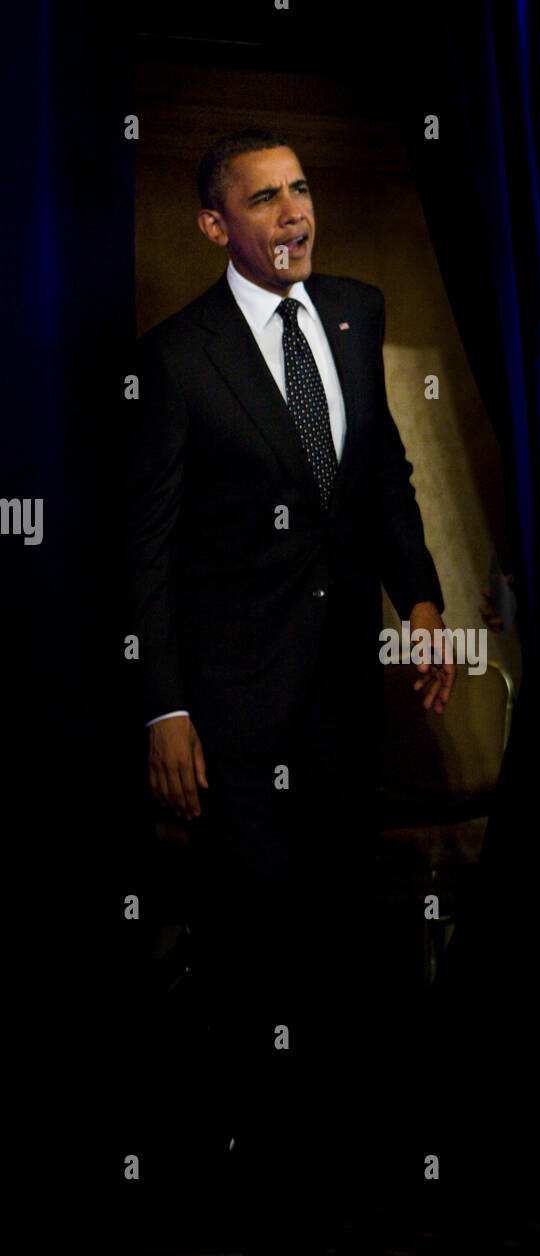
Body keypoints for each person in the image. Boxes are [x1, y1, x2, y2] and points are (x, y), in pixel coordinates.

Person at [125, 129, 456, 1160]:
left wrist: (422, 598)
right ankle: (252, 1140)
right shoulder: (178, 359)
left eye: (301, 189)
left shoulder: (357, 313)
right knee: (253, 926)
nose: (294, 213)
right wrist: (163, 706)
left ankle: (340, 1133)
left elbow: (383, 471)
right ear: (216, 226)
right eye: (265, 199)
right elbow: (146, 551)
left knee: (339, 910)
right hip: (233, 701)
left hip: (343, 692)